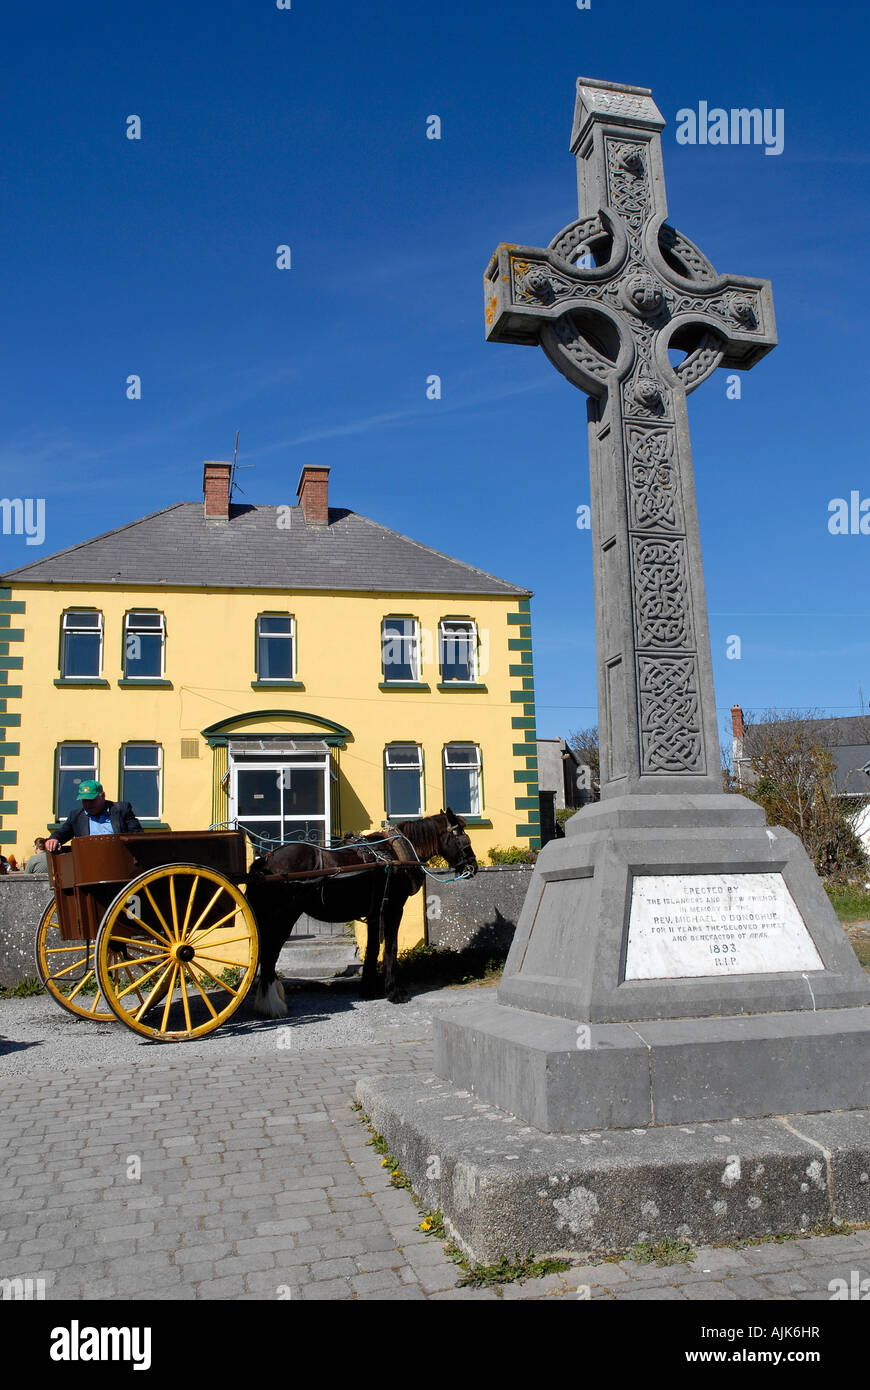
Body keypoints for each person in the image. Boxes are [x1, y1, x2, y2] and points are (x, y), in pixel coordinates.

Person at [44, 781, 142, 852]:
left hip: (120, 862)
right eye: (84, 800)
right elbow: (62, 833)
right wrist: (54, 839)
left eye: (92, 800)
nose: (88, 804)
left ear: (103, 796)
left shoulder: (122, 810)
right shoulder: (76, 816)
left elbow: (137, 835)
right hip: (90, 866)